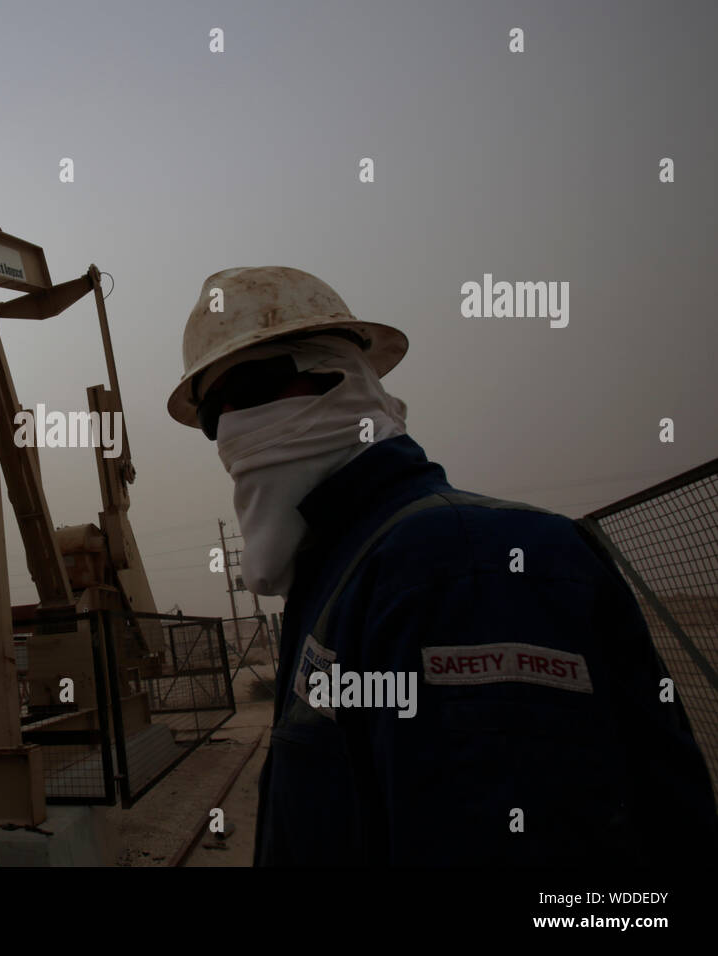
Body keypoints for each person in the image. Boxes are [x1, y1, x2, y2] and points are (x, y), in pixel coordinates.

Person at [167, 266, 718, 865]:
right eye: (211, 418)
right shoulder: (346, 572)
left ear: (345, 378)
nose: (231, 428)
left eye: (251, 388)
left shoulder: (464, 564)